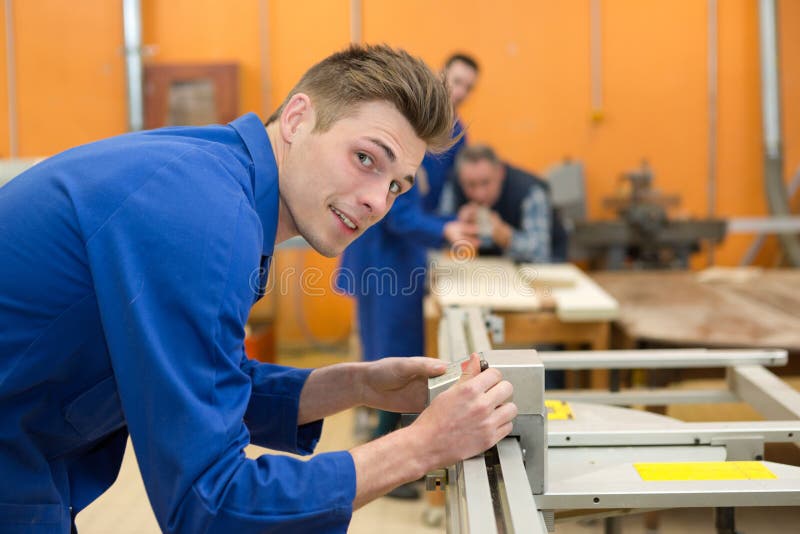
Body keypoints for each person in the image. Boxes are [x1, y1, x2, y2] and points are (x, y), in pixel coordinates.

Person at [0, 45, 517, 533]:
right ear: (296, 119)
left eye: (396, 185)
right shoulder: (204, 217)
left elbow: (197, 378)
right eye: (365, 159)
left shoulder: (219, 183)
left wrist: (356, 385)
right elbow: (212, 504)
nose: (378, 202)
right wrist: (422, 446)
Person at [336, 53, 480, 500]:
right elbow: (397, 210)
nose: (458, 93)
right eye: (454, 81)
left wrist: (458, 216)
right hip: (384, 255)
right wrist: (445, 229)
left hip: (406, 253)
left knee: (399, 350)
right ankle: (389, 463)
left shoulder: (455, 133)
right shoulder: (407, 126)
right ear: (440, 78)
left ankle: (390, 453)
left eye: (467, 88)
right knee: (389, 353)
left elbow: (438, 194)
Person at [440, 143, 564, 263]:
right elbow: (439, 238)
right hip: (488, 270)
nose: (479, 194)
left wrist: (506, 238)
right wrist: (456, 224)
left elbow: (541, 254)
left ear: (500, 173)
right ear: (460, 178)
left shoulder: (530, 192)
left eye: (485, 182)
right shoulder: (453, 185)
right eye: (471, 185)